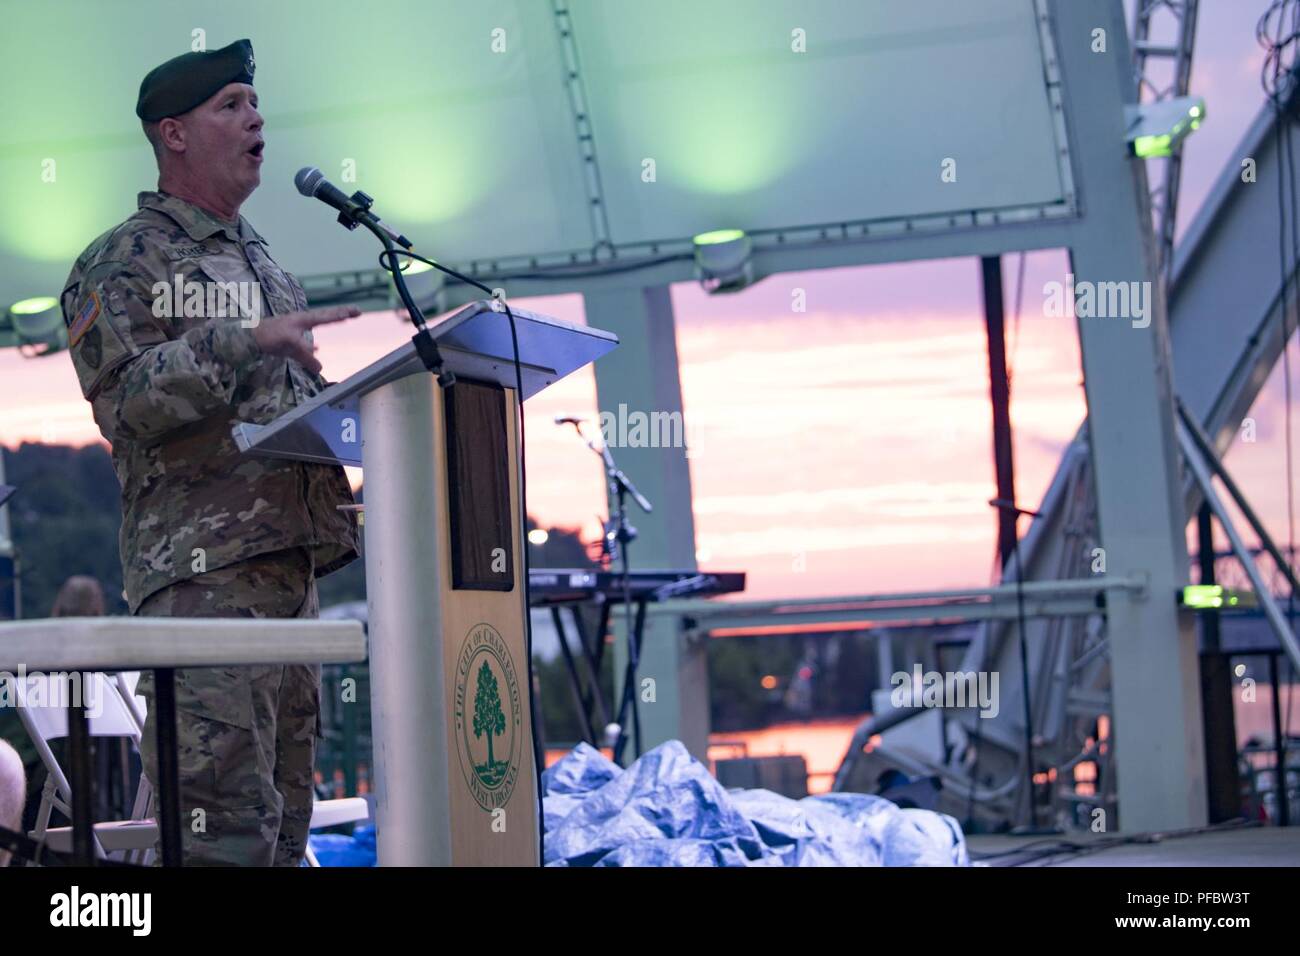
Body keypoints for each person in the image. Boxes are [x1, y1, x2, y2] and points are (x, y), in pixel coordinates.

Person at [59, 39, 363, 865]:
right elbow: (124, 403)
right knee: (222, 840)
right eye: (229, 104)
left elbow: (279, 406)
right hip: (203, 590)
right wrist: (241, 341)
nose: (256, 117)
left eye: (254, 103)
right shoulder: (123, 259)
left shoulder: (267, 262)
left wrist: (360, 419)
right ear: (174, 135)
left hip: (291, 590)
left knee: (284, 833)